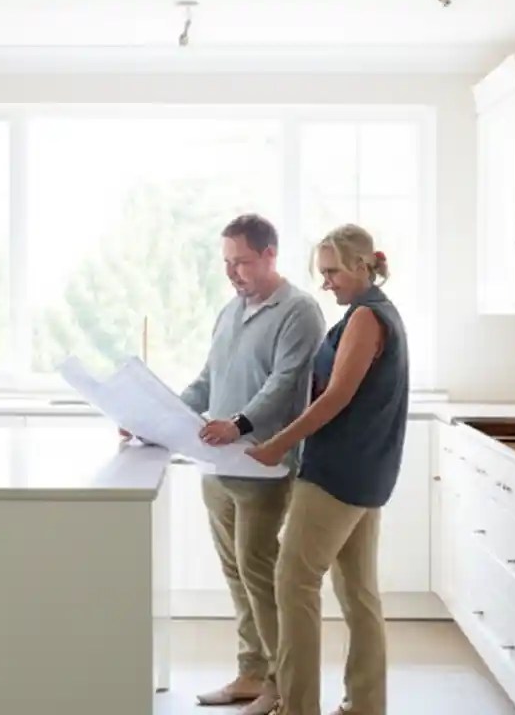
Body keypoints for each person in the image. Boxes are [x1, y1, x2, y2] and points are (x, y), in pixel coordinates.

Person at [124, 213, 324, 715]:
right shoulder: (230, 312)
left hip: (264, 466)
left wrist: (238, 423)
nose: (233, 272)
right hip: (218, 467)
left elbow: (284, 384)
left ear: (270, 256)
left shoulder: (299, 310)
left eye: (242, 262)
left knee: (261, 575)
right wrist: (151, 417)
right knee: (236, 575)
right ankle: (250, 673)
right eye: (227, 263)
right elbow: (205, 382)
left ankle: (281, 684)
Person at [246, 224, 410, 715]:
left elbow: (337, 396)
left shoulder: (364, 318)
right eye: (322, 273)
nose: (326, 283)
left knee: (292, 582)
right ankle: (365, 705)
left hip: (337, 475)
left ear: (363, 265)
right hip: (369, 474)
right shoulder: (384, 313)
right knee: (359, 594)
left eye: (333, 271)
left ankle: (298, 708)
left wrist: (276, 444)